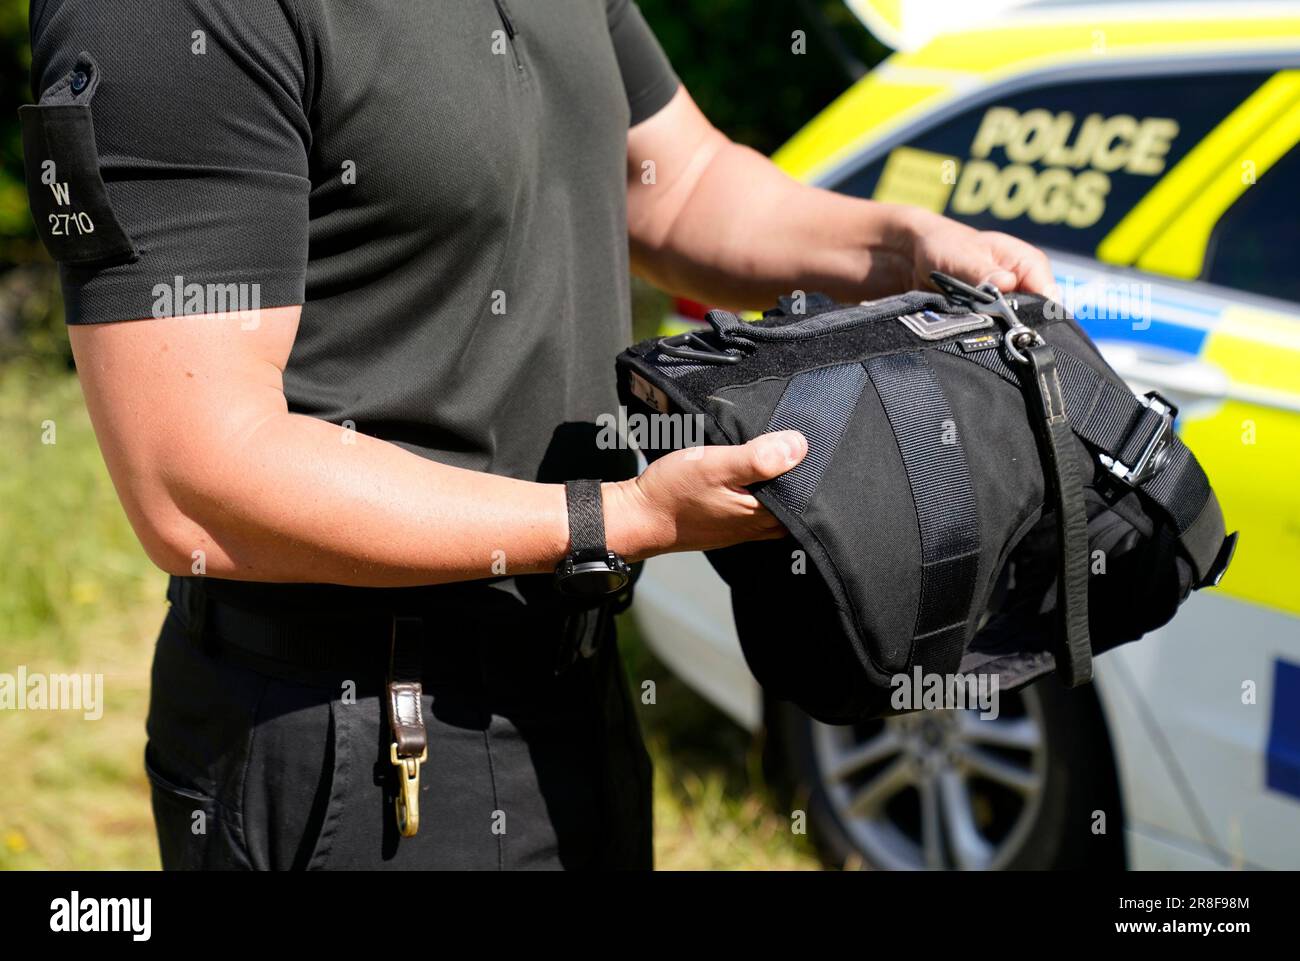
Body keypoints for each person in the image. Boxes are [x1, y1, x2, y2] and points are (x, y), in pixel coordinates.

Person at [25, 0, 1054, 870]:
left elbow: (681, 182)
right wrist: (617, 516)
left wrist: (895, 245)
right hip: (359, 736)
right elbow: (193, 477)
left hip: (574, 680)